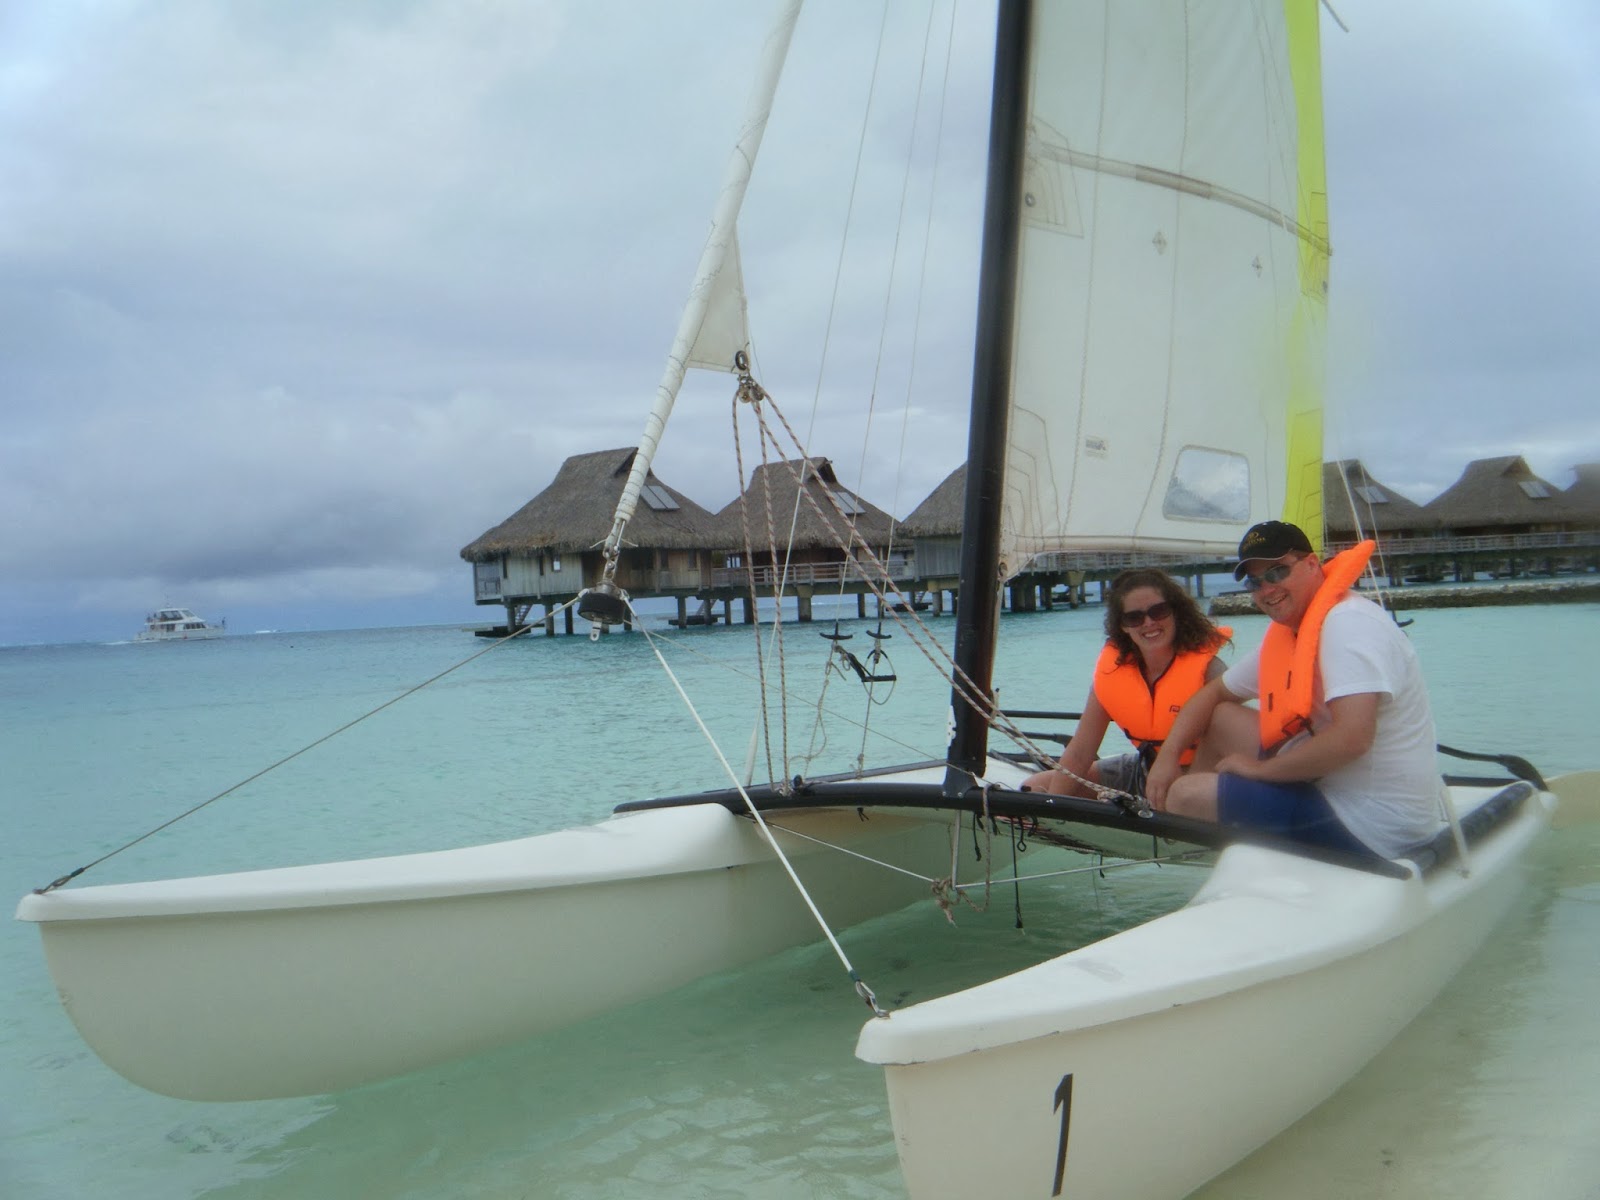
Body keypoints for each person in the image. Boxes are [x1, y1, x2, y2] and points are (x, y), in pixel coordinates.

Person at [1145, 520, 1443, 858]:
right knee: (1221, 717)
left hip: (1375, 825)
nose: (1267, 589)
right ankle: (1208, 833)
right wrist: (1167, 758)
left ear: (1312, 564)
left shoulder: (1348, 624)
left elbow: (1352, 738)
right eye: (1255, 582)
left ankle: (1199, 825)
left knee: (1185, 795)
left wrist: (1259, 771)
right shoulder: (1298, 631)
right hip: (1328, 786)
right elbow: (1213, 694)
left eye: (1277, 573)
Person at [1022, 569, 1230, 802]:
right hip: (1142, 770)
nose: (1149, 623)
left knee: (1173, 798)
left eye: (1158, 611)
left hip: (1196, 777)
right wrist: (1054, 806)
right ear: (1123, 626)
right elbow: (1081, 752)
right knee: (1035, 786)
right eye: (1135, 617)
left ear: (1175, 612)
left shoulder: (1211, 671)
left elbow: (1231, 741)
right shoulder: (1113, 673)